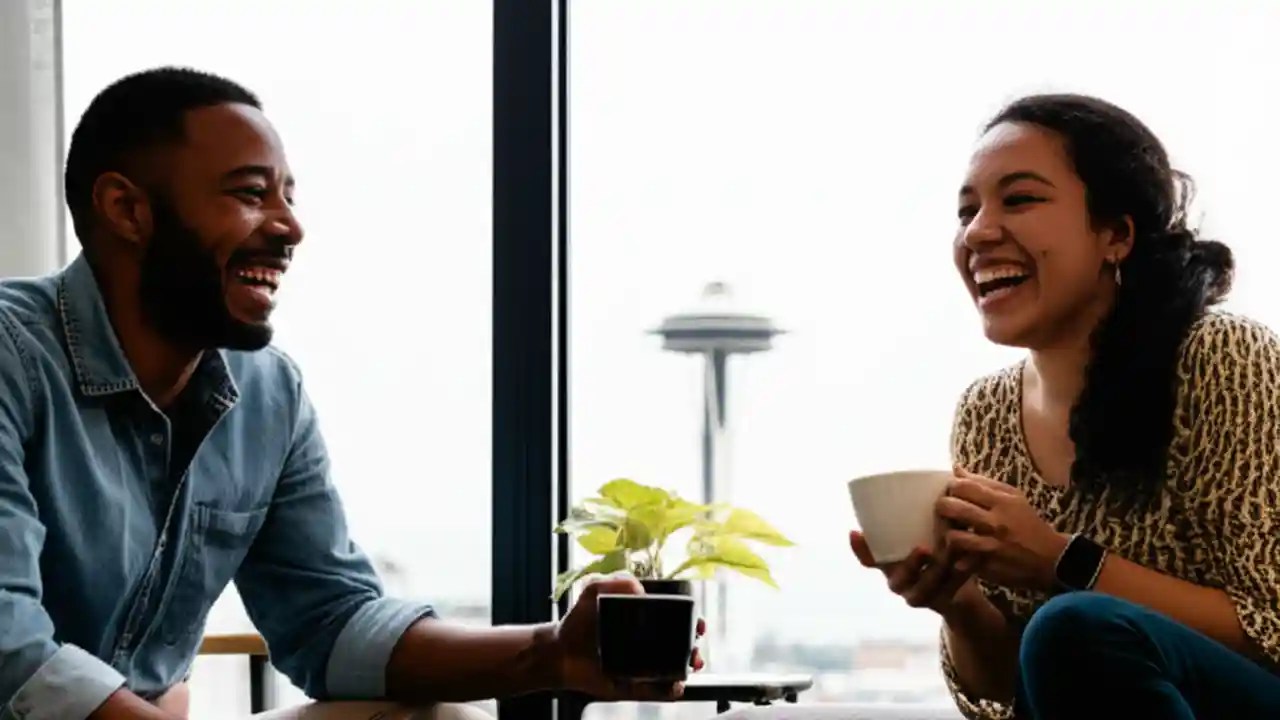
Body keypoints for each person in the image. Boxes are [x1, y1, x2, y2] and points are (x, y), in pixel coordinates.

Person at [0, 66, 701, 720]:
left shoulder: (268, 393)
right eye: (249, 194)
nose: (289, 227)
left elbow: (329, 622)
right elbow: (12, 655)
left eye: (287, 197)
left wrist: (552, 653)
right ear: (128, 208)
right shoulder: (13, 357)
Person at [848, 93, 1280, 719]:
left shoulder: (1223, 360)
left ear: (1116, 234)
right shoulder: (987, 414)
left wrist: (1063, 560)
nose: (978, 232)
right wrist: (957, 600)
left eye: (1019, 199)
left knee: (1072, 625)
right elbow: (1007, 692)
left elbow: (1270, 626)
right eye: (967, 212)